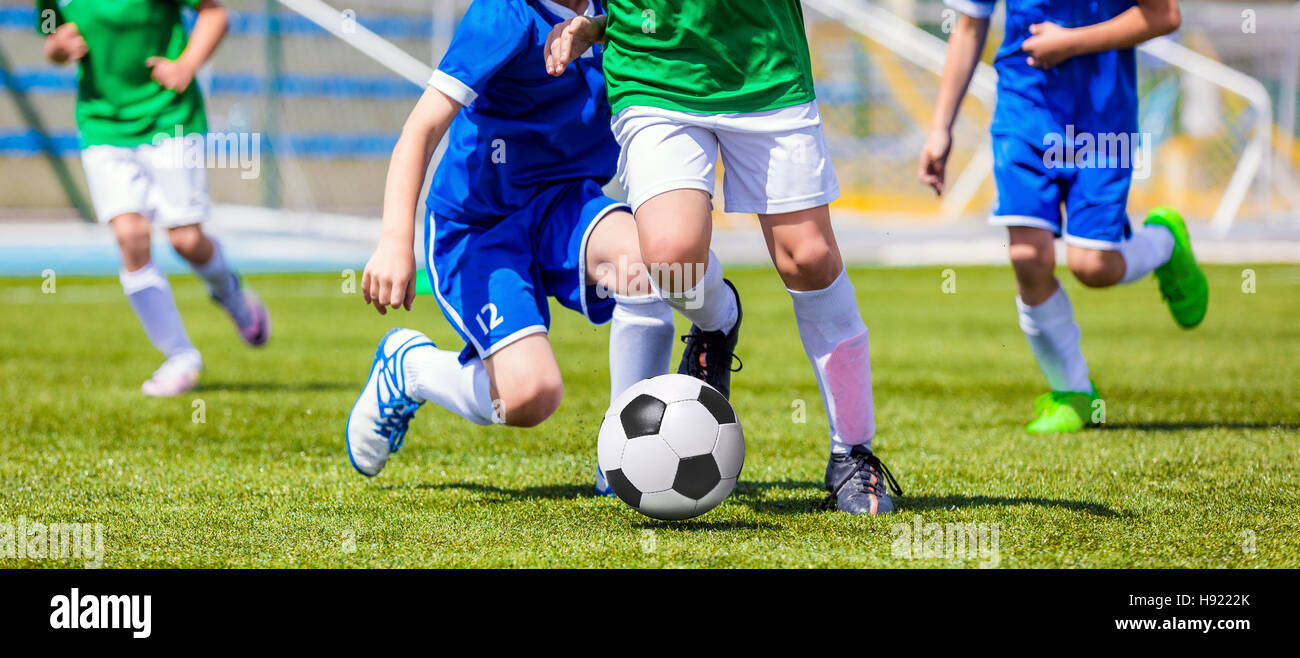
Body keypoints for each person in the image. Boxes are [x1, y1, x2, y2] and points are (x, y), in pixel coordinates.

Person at [545, 1, 903, 514]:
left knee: (807, 258)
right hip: (656, 69)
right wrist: (602, 25)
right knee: (671, 257)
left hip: (764, 63)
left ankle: (852, 452)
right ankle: (718, 320)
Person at [345, 0, 675, 492]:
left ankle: (625, 458)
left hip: (564, 202)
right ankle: (411, 369)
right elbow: (422, 129)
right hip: (482, 224)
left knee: (648, 267)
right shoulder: (502, 14)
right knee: (530, 396)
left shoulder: (626, 8)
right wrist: (396, 238)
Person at [919, 0, 1207, 433]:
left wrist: (1071, 43)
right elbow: (969, 25)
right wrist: (941, 126)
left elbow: (1165, 15)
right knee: (1026, 256)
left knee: (1092, 267)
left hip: (1103, 120)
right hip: (1023, 112)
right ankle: (1073, 392)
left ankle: (1164, 242)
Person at [38, 0, 270, 397]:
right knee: (130, 236)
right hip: (103, 124)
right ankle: (180, 356)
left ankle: (229, 291)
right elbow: (51, 35)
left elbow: (214, 13)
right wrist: (58, 48)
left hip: (169, 116)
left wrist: (186, 65)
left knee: (186, 240)